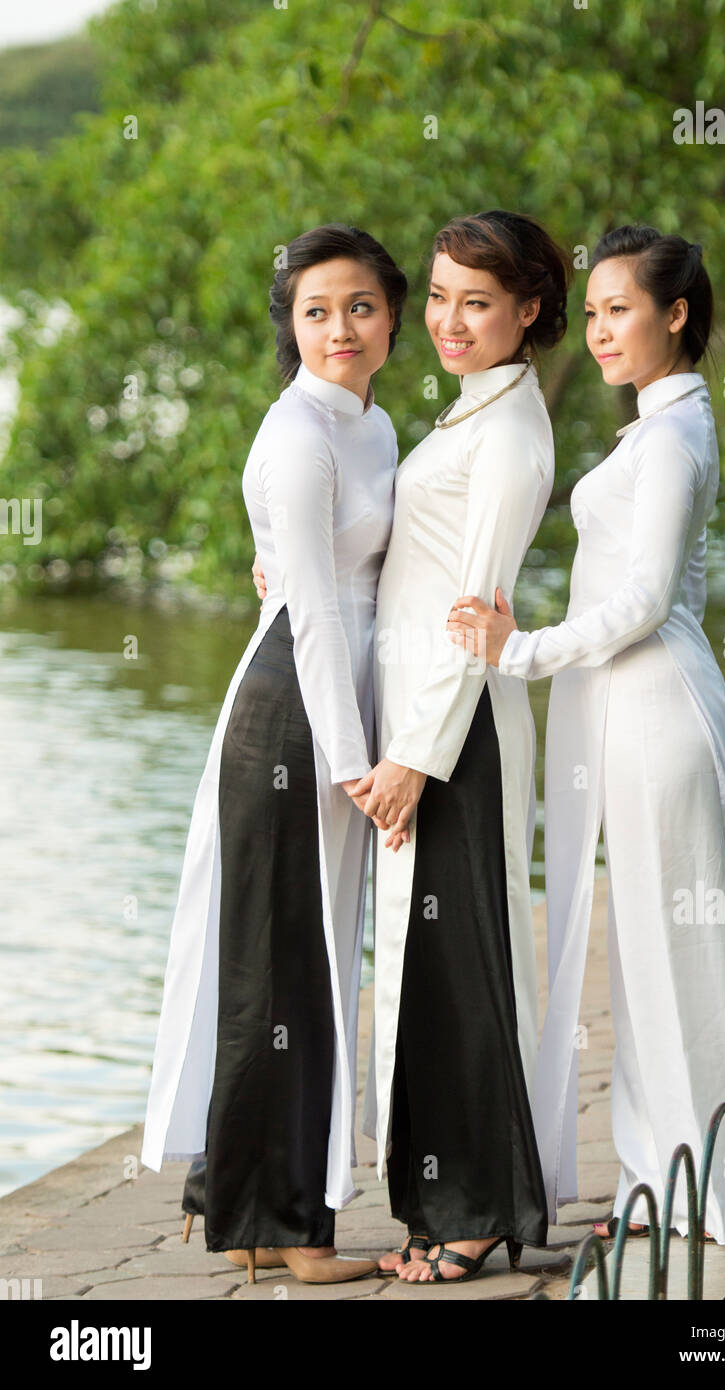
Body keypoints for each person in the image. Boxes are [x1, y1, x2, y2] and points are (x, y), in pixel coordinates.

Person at [446, 224, 725, 1244]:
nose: (602, 330)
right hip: (633, 713)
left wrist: (518, 649)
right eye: (597, 311)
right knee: (652, 951)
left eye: (622, 310)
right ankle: (676, 1169)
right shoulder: (658, 426)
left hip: (660, 713)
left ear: (677, 314)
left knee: (686, 951)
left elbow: (645, 600)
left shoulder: (674, 435)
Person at [140, 224, 407, 1284]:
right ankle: (289, 1231)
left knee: (300, 961)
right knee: (277, 966)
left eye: (359, 306)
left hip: (334, 699)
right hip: (297, 709)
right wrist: (354, 762)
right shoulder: (300, 433)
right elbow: (311, 611)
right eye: (314, 311)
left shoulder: (372, 428)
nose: (338, 328)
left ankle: (253, 1217)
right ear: (289, 328)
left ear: (392, 315)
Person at [351, 210, 572, 1284]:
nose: (446, 319)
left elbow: (475, 619)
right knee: (428, 971)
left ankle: (479, 1211)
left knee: (465, 965)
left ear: (528, 310)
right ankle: (442, 1197)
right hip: (425, 721)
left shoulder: (511, 434)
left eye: (475, 301)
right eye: (436, 296)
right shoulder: (465, 416)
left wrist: (415, 758)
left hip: (460, 729)